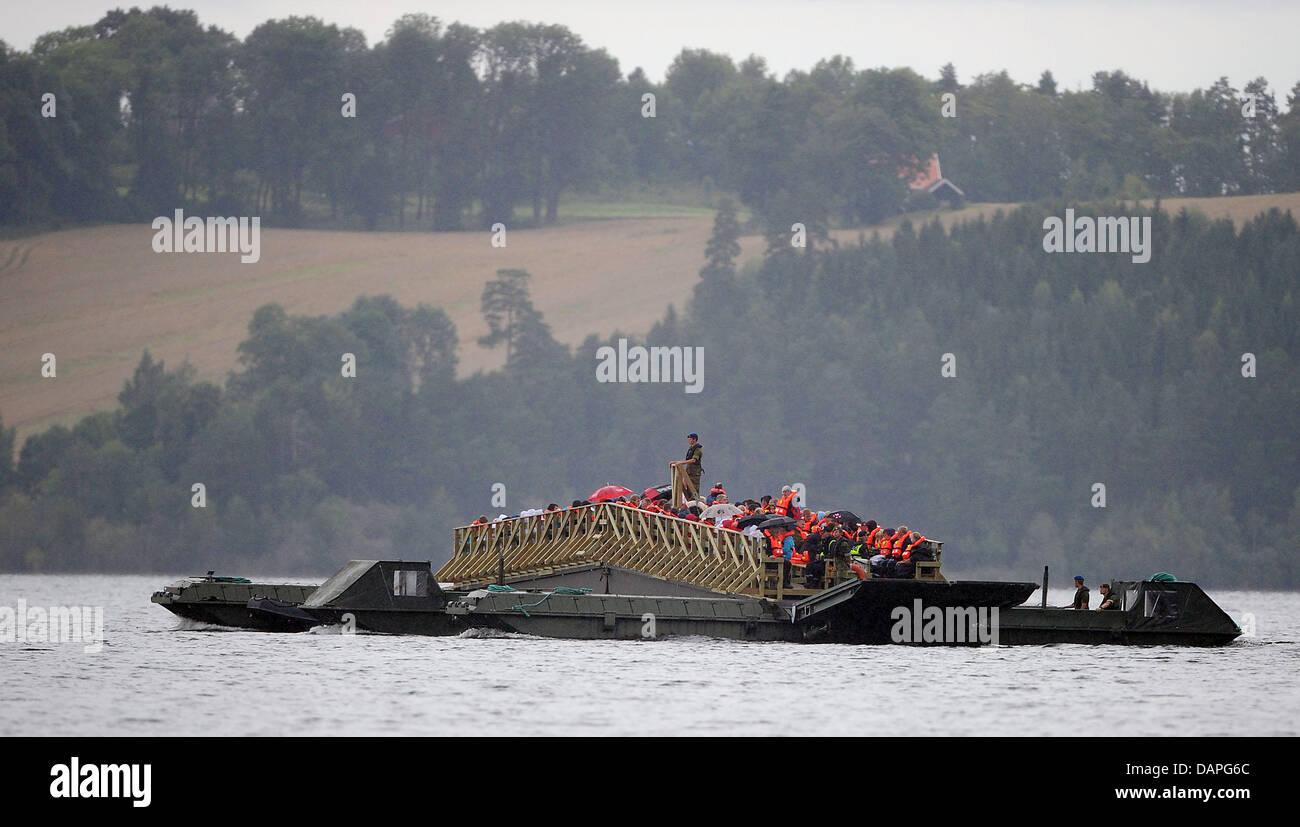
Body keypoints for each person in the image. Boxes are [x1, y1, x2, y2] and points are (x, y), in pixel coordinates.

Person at [669, 434, 704, 500]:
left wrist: (680, 463)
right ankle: (690, 502)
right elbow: (687, 460)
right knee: (687, 489)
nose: (689, 441)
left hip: (694, 473)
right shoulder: (691, 448)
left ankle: (696, 502)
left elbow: (693, 460)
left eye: (690, 439)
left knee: (694, 489)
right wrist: (676, 462)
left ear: (694, 439)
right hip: (689, 472)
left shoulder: (698, 449)